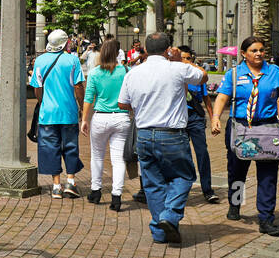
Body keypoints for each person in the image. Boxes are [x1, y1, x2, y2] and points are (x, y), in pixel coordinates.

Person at [116, 32, 208, 243]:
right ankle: (169, 216)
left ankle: (160, 230)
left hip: (145, 134)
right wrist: (179, 59)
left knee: (153, 183)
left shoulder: (133, 72)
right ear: (168, 49)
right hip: (172, 134)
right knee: (184, 176)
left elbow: (122, 103)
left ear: (145, 50)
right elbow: (203, 76)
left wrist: (142, 106)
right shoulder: (177, 67)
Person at [211, 36, 279, 237]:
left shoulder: (274, 72)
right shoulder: (235, 74)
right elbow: (222, 96)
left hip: (267, 127)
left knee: (268, 174)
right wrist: (215, 118)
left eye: (261, 50)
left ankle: (266, 218)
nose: (258, 54)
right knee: (237, 171)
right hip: (240, 127)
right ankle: (235, 204)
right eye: (253, 50)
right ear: (244, 54)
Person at [29, 28, 86, 199]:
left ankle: (56, 185)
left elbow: (37, 88)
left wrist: (42, 102)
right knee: (70, 147)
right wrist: (82, 107)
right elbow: (78, 87)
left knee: (51, 148)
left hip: (47, 113)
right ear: (65, 43)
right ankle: (70, 182)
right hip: (68, 112)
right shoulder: (73, 61)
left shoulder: (39, 61)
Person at [80, 37, 130, 211]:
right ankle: (116, 196)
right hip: (121, 117)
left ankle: (96, 191)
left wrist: (84, 119)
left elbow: (88, 98)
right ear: (117, 53)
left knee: (97, 156)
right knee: (118, 159)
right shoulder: (125, 71)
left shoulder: (94, 73)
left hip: (101, 116)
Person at [179, 44, 219, 204]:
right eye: (182, 58)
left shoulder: (197, 76)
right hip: (179, 120)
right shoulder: (173, 75)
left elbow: (206, 99)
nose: (185, 61)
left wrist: (213, 119)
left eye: (188, 58)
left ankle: (207, 190)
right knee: (183, 155)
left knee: (202, 153)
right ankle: (182, 189)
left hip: (195, 118)